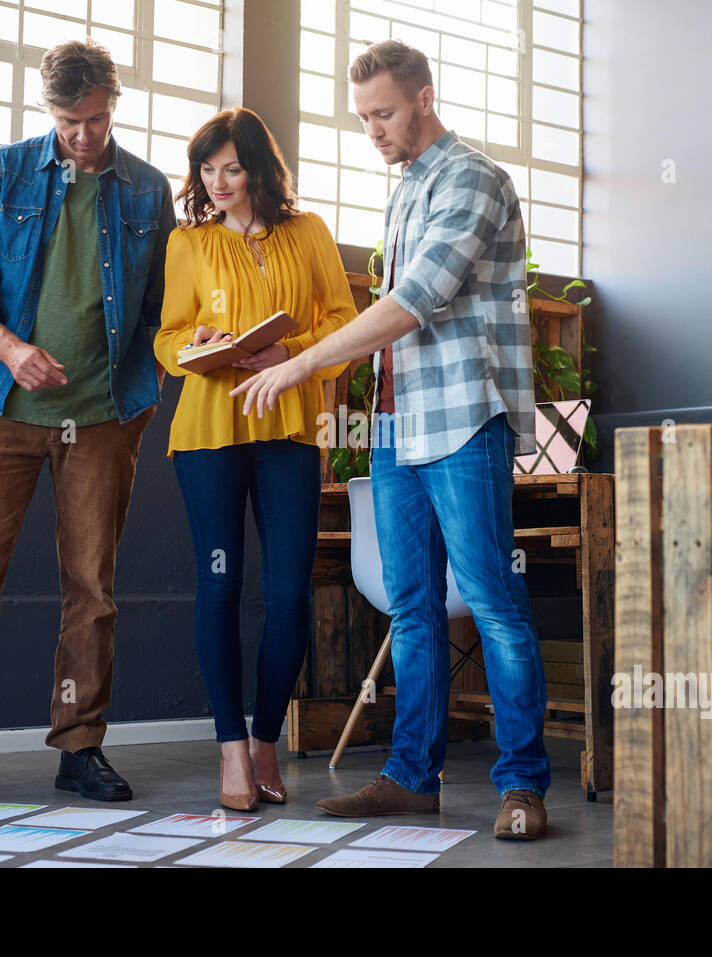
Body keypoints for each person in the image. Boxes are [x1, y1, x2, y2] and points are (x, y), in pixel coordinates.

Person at [230, 40, 551, 839]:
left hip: (461, 420)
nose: (372, 129)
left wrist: (303, 365)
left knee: (493, 604)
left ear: (425, 98)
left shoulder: (473, 179)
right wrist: (289, 350)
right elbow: (381, 326)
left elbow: (414, 301)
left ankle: (521, 785)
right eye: (363, 117)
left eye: (384, 113)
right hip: (396, 426)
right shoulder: (404, 191)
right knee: (410, 609)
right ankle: (413, 776)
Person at [0, 39, 175, 809]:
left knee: (93, 589)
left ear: (115, 103)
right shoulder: (4, 171)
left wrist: (145, 392)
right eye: (69, 119)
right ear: (48, 109)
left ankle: (80, 746)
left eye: (98, 118)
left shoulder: (149, 191)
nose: (84, 135)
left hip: (106, 417)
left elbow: (162, 313)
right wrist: (11, 350)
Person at [153, 108, 357, 811]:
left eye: (231, 169)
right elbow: (167, 337)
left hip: (291, 430)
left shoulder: (309, 232)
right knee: (220, 589)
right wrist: (197, 343)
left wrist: (291, 354)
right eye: (207, 171)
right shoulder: (190, 242)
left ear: (260, 169)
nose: (217, 183)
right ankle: (231, 751)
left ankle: (268, 738)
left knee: (289, 596)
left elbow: (343, 324)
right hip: (209, 432)